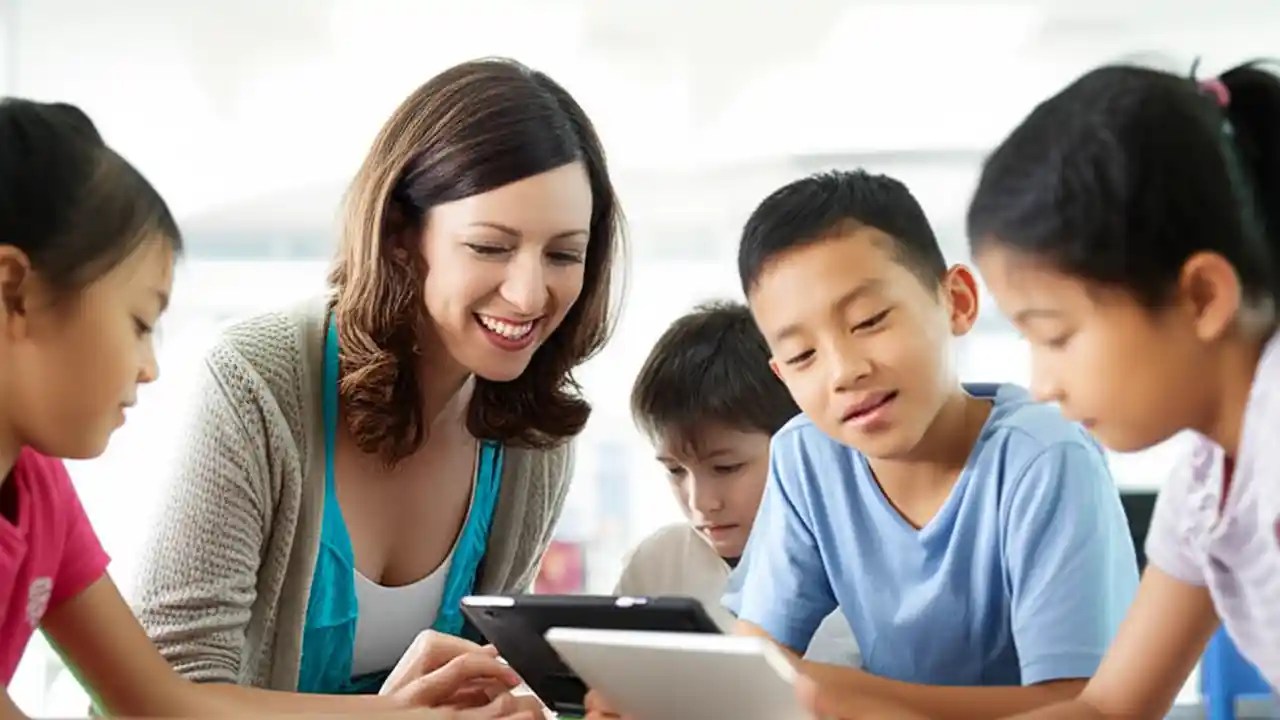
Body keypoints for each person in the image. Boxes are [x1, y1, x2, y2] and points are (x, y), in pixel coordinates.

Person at [0, 99, 537, 720]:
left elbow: (159, 702)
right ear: (14, 291)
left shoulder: (40, 493)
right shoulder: (257, 375)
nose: (148, 367)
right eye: (140, 322)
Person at [129, 58, 621, 712]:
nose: (531, 293)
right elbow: (161, 690)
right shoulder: (260, 380)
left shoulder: (535, 443)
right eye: (490, 247)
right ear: (399, 235)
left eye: (563, 254)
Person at [720, 169, 1138, 720]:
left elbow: (1079, 704)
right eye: (802, 356)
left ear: (957, 302)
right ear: (782, 375)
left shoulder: (1044, 460)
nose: (844, 372)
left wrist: (852, 699)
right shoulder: (806, 456)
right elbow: (757, 658)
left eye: (869, 320)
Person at [955, 61, 1280, 719]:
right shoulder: (1206, 479)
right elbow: (1109, 707)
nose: (1042, 385)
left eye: (1055, 335)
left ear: (1201, 297)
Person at [617, 300, 858, 663]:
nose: (700, 503)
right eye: (675, 471)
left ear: (800, 443)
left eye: (726, 468)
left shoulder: (863, 570)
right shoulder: (658, 563)